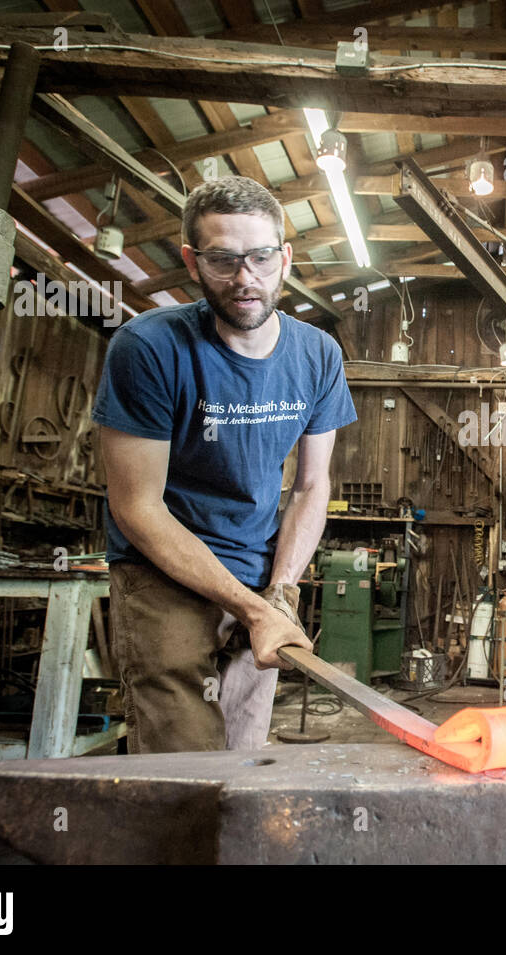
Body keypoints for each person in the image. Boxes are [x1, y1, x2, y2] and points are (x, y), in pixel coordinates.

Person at [93, 175, 357, 753]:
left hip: (261, 572)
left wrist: (279, 592)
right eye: (223, 260)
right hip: (164, 575)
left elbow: (313, 486)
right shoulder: (148, 348)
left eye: (261, 257)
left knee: (241, 759)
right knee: (183, 768)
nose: (246, 279)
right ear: (191, 261)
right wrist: (247, 606)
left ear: (285, 258)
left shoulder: (318, 355)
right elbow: (136, 505)